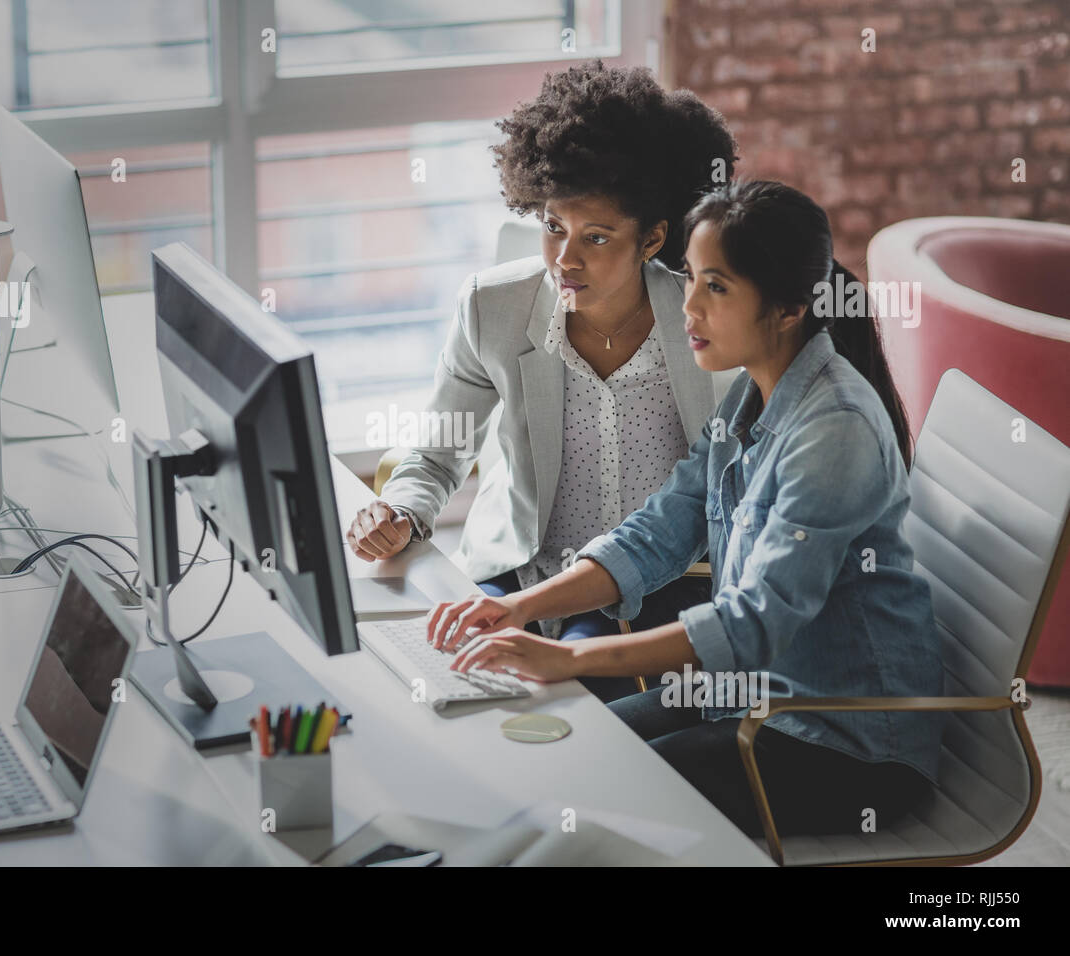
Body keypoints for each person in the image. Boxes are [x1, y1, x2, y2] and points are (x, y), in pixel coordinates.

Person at [427, 180, 943, 839]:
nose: (688, 307)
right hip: (752, 697)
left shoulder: (833, 431)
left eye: (717, 288)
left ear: (787, 309)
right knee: (564, 755)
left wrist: (572, 660)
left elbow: (750, 627)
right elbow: (658, 532)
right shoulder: (752, 394)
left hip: (844, 744)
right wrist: (524, 607)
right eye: (692, 280)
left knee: (598, 811)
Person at [346, 61, 739, 698]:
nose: (564, 257)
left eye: (597, 237)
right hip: (521, 567)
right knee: (443, 674)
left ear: (653, 239)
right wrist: (401, 508)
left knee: (568, 705)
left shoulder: (707, 320)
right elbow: (440, 451)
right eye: (553, 226)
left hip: (659, 577)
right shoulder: (490, 307)